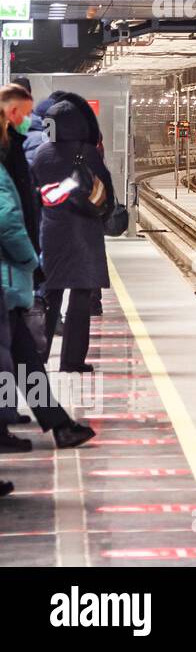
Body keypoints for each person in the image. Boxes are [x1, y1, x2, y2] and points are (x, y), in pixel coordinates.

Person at [0, 84, 94, 452]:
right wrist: (29, 260)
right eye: (20, 116)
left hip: (10, 277)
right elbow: (7, 219)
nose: (25, 123)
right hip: (7, 274)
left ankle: (57, 424)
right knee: (13, 359)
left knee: (22, 358)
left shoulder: (14, 159)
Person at [30, 97, 113, 374]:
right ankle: (72, 361)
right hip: (84, 235)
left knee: (50, 295)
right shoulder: (87, 153)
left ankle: (39, 357)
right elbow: (106, 195)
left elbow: (34, 194)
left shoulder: (42, 153)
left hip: (52, 232)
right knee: (80, 296)